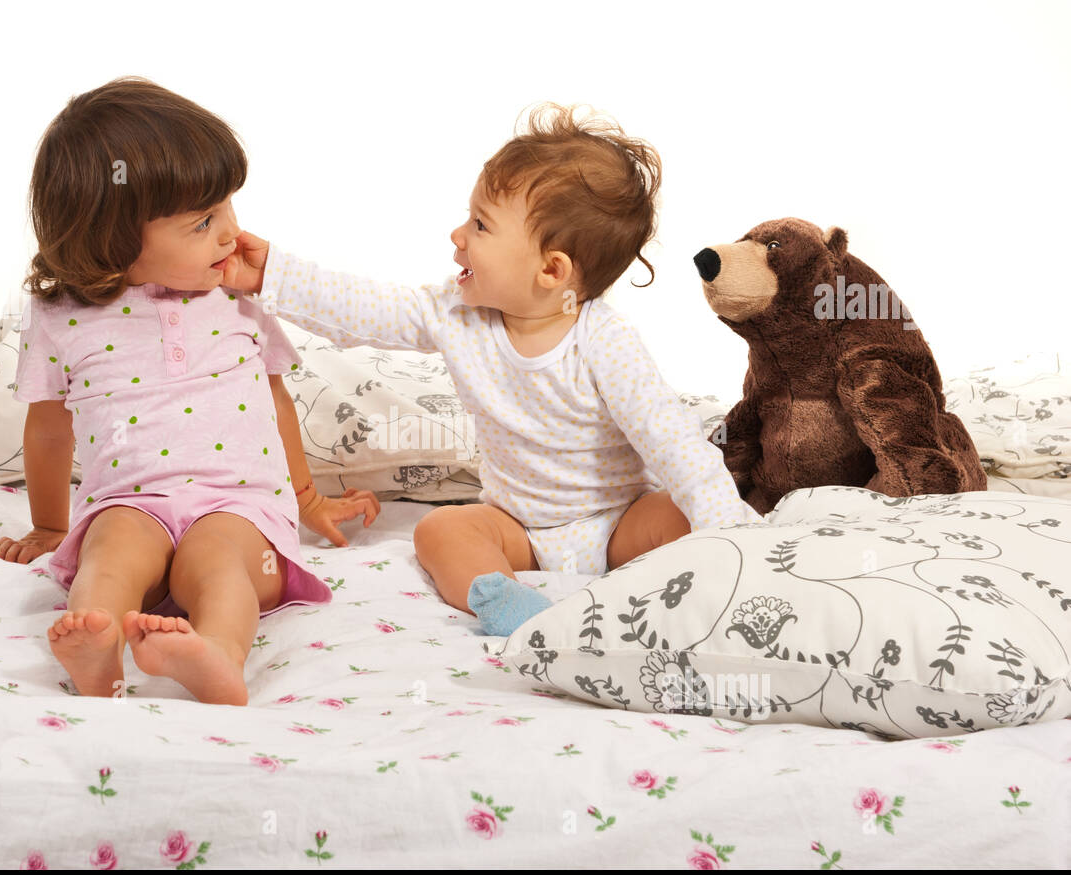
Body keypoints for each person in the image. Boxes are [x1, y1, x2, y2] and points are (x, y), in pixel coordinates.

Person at [222, 103, 764, 637]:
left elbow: (675, 444)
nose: (457, 235)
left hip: (618, 521)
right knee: (440, 530)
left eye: (480, 225)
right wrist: (275, 273)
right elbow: (366, 307)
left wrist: (724, 530)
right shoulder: (455, 314)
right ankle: (507, 600)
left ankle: (719, 579)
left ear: (551, 269)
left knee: (681, 515)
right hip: (516, 529)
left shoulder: (604, 342)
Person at [0, 77, 379, 704]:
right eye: (203, 222)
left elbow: (276, 401)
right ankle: (98, 646)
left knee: (220, 561)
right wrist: (47, 525)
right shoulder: (62, 316)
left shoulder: (239, 296)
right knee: (110, 555)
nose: (230, 233)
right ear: (114, 241)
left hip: (239, 506)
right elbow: (48, 427)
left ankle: (219, 655)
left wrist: (307, 501)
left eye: (227, 207)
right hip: (130, 501)